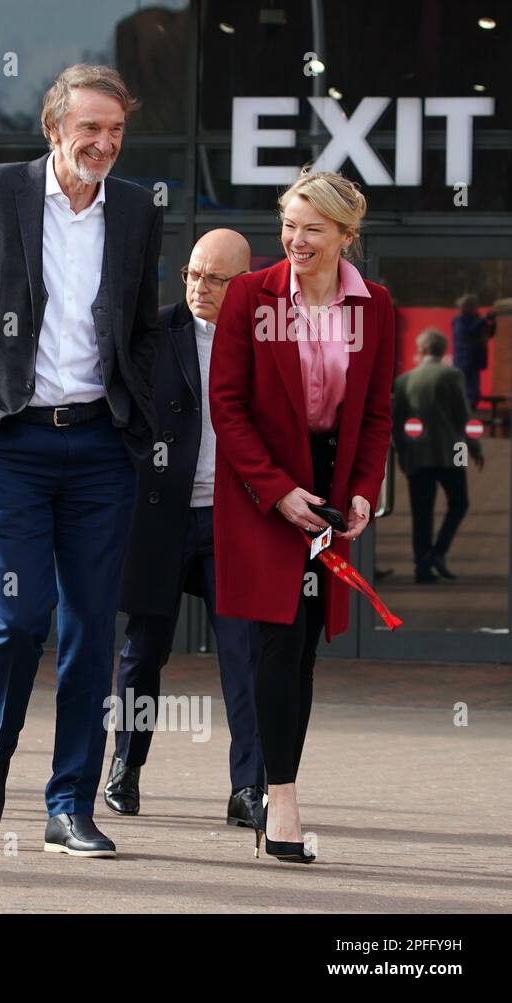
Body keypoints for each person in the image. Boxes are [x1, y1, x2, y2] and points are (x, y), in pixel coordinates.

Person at [0, 63, 161, 859]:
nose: (104, 143)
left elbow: (133, 327)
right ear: (54, 128)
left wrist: (137, 419)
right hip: (11, 442)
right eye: (90, 128)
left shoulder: (136, 209)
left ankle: (69, 801)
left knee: (92, 629)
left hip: (100, 445)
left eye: (116, 131)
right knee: (21, 616)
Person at [211, 168, 394, 863]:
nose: (296, 239)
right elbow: (226, 407)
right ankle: (279, 798)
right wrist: (276, 490)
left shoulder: (374, 305)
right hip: (262, 489)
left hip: (330, 486)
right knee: (274, 641)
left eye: (313, 228)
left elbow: (376, 412)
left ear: (347, 234)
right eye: (289, 225)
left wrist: (362, 491)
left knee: (306, 641)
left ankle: (277, 785)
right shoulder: (250, 297)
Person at [104, 229, 264, 829]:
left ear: (244, 280)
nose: (200, 288)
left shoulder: (264, 337)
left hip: (233, 520)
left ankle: (248, 788)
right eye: (194, 274)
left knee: (244, 657)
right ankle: (125, 768)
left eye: (216, 279)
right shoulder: (156, 332)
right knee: (142, 653)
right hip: (159, 517)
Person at [393, 328, 483, 583]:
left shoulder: (404, 380)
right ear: (443, 350)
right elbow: (463, 416)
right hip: (452, 452)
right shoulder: (452, 375)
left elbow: (397, 422)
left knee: (422, 511)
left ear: (420, 350)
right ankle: (439, 552)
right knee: (460, 503)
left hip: (417, 454)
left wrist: (402, 452)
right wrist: (475, 448)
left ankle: (422, 565)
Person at [451, 294, 494, 409]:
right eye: (474, 306)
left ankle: (470, 409)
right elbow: (467, 332)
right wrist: (483, 320)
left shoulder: (474, 320)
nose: (477, 308)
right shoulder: (459, 321)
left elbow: (487, 334)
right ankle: (467, 412)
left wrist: (489, 322)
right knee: (469, 390)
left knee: (473, 389)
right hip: (465, 362)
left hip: (473, 361)